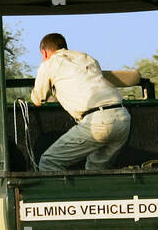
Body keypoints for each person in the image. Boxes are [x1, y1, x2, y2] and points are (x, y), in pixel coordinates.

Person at [30, 33, 131, 172]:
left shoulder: (49, 63)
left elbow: (37, 99)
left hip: (98, 122)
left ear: (44, 52)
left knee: (49, 162)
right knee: (96, 169)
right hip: (123, 118)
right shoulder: (87, 58)